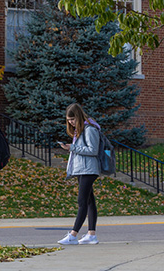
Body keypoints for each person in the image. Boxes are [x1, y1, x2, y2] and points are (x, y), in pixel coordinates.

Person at [57, 103, 101, 245]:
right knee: (89, 202)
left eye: (73, 120)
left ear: (79, 117)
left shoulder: (89, 129)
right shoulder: (80, 131)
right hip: (82, 169)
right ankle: (91, 235)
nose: (71, 123)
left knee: (82, 201)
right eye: (69, 120)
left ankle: (73, 235)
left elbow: (93, 150)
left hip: (89, 170)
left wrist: (73, 147)